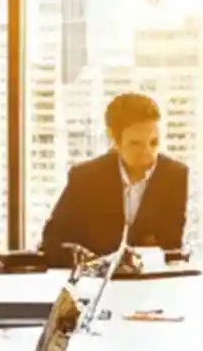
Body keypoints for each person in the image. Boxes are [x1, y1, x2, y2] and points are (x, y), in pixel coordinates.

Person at [41, 93, 189, 267]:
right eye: (135, 144)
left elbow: (171, 247)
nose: (148, 153)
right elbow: (51, 242)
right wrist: (89, 260)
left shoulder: (174, 176)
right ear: (114, 139)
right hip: (95, 281)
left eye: (154, 142)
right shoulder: (85, 178)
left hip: (152, 284)